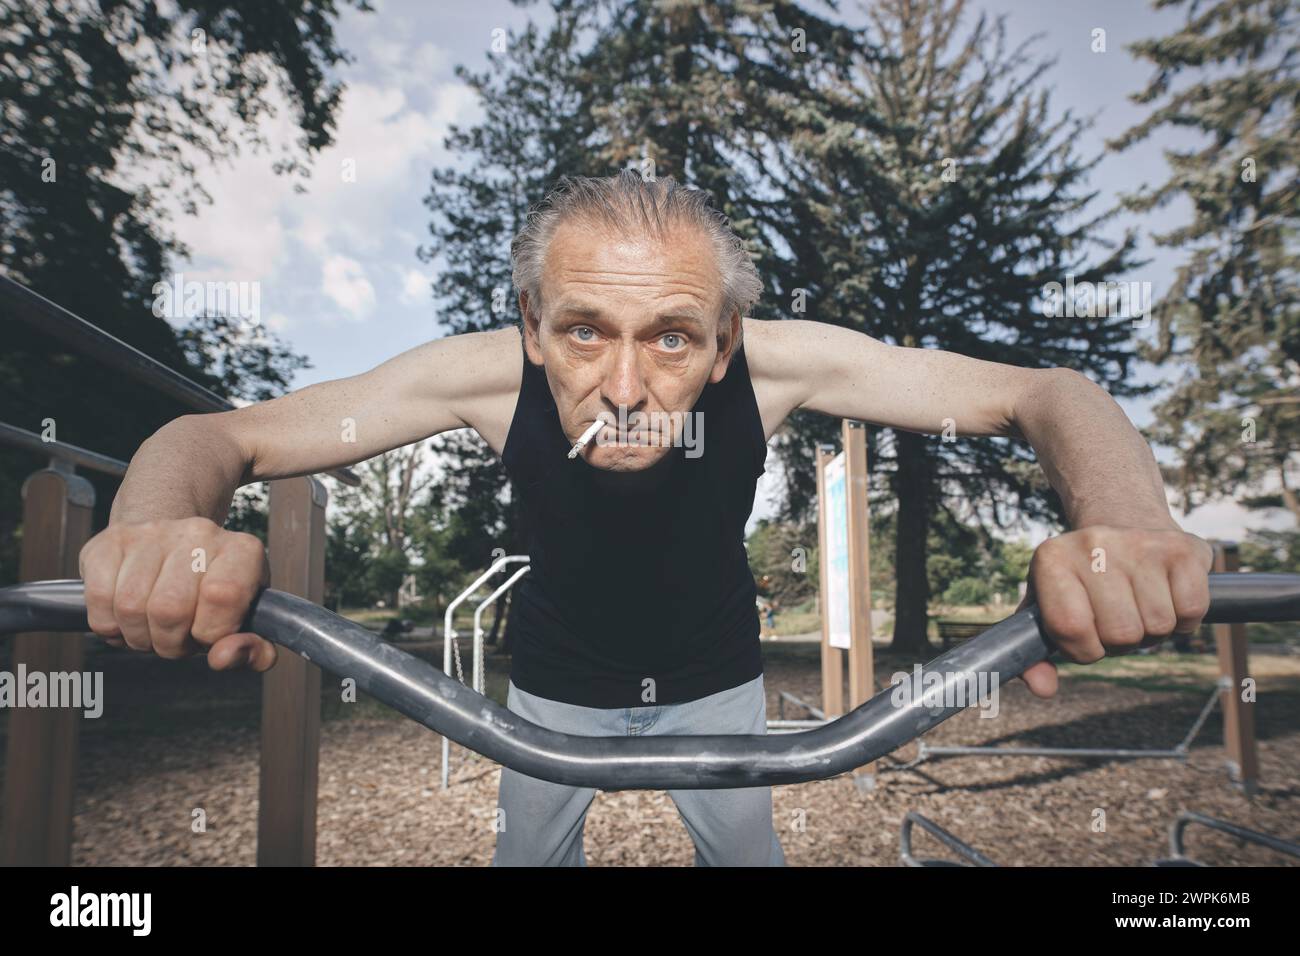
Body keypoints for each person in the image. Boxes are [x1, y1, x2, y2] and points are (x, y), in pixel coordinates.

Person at [78, 170, 1215, 867]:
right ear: (531, 326)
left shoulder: (774, 365)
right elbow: (222, 436)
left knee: (743, 857)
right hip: (551, 689)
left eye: (670, 337)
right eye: (584, 331)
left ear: (722, 340)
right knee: (527, 859)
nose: (624, 385)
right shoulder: (481, 375)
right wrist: (157, 525)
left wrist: (1121, 518)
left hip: (713, 679)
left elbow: (1041, 391)